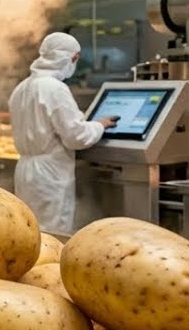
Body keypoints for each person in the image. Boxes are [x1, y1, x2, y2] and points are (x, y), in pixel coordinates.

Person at [8, 32, 117, 234]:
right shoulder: (55, 88)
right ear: (72, 58)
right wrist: (100, 125)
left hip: (25, 170)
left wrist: (81, 119)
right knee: (53, 233)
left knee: (28, 229)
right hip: (50, 174)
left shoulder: (22, 88)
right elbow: (76, 137)